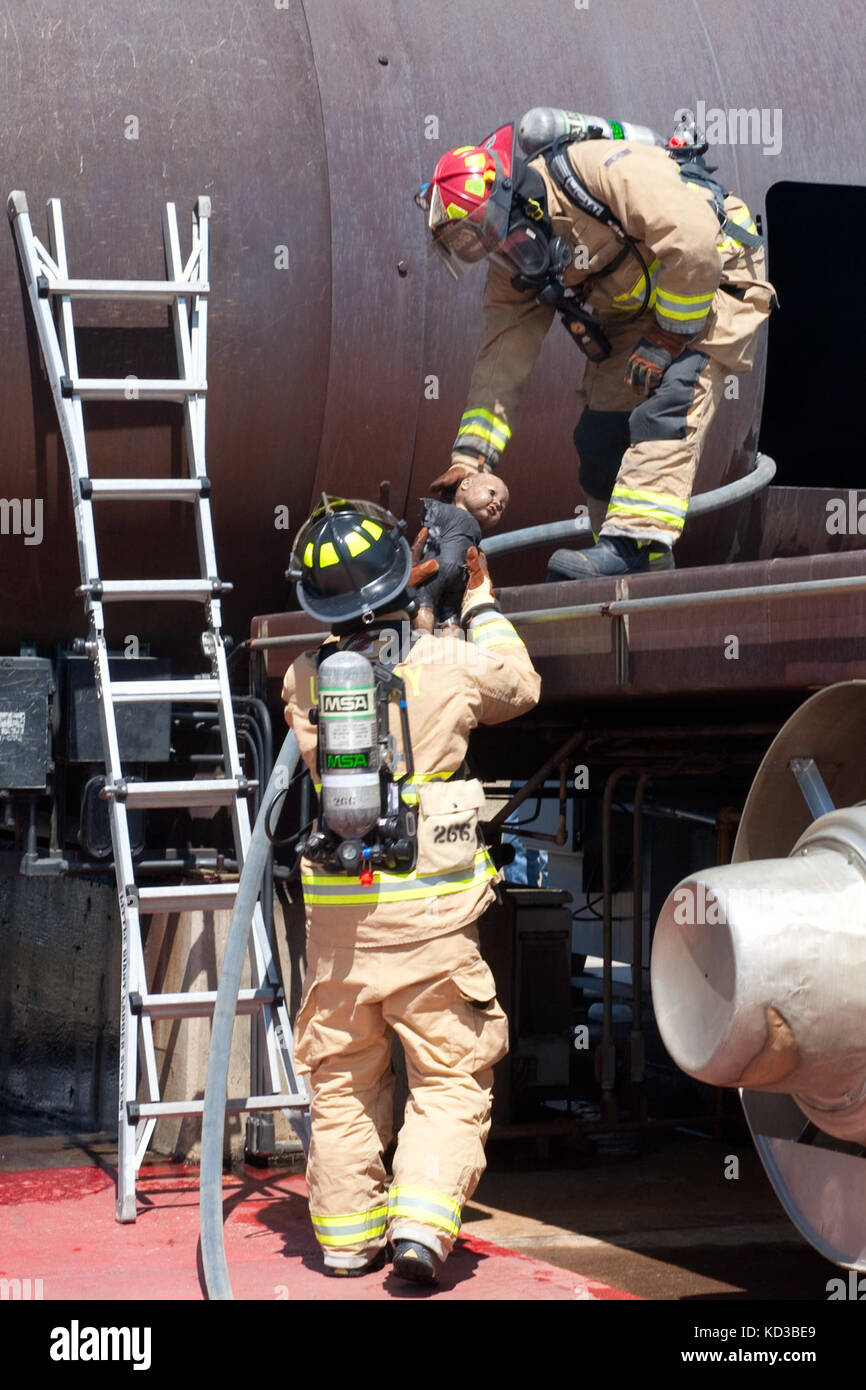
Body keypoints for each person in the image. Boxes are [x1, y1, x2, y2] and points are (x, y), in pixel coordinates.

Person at [282, 496, 540, 1284]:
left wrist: (419, 608)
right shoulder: (448, 664)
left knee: (343, 1083)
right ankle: (421, 1229)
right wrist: (477, 599)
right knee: (449, 1076)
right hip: (430, 923)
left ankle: (343, 1241)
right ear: (399, 571)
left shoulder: (306, 676)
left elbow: (374, 668)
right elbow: (521, 685)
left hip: (340, 936)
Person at [415, 108, 776, 578]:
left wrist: (668, 337)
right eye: (480, 248)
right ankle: (643, 566)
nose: (500, 253)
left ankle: (632, 544)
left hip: (712, 276)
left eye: (492, 236)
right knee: (600, 436)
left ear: (519, 201)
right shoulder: (515, 265)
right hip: (642, 311)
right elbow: (501, 363)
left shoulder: (600, 170)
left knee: (670, 400)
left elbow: (692, 244)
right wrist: (469, 462)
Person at [411, 471, 510, 631]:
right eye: (492, 493)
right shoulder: (445, 510)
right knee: (440, 610)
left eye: (502, 507)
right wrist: (413, 559)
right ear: (466, 484)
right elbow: (421, 540)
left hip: (457, 574)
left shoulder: (473, 532)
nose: (497, 504)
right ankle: (426, 637)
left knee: (430, 604)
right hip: (439, 567)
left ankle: (431, 637)